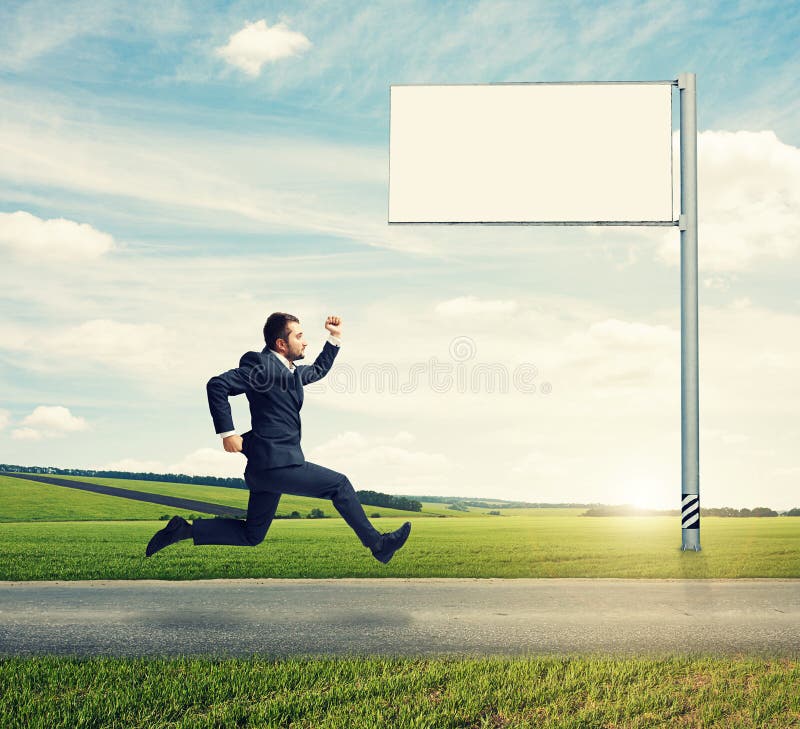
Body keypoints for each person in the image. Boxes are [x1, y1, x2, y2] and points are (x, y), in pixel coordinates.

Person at [146, 312, 411, 563]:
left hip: (265, 469)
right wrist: (228, 433)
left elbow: (318, 370)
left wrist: (334, 337)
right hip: (277, 463)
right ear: (281, 344)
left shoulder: (292, 373)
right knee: (339, 485)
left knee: (252, 535)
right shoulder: (261, 366)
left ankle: (184, 530)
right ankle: (379, 545)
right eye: (299, 336)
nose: (305, 341)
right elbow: (217, 385)